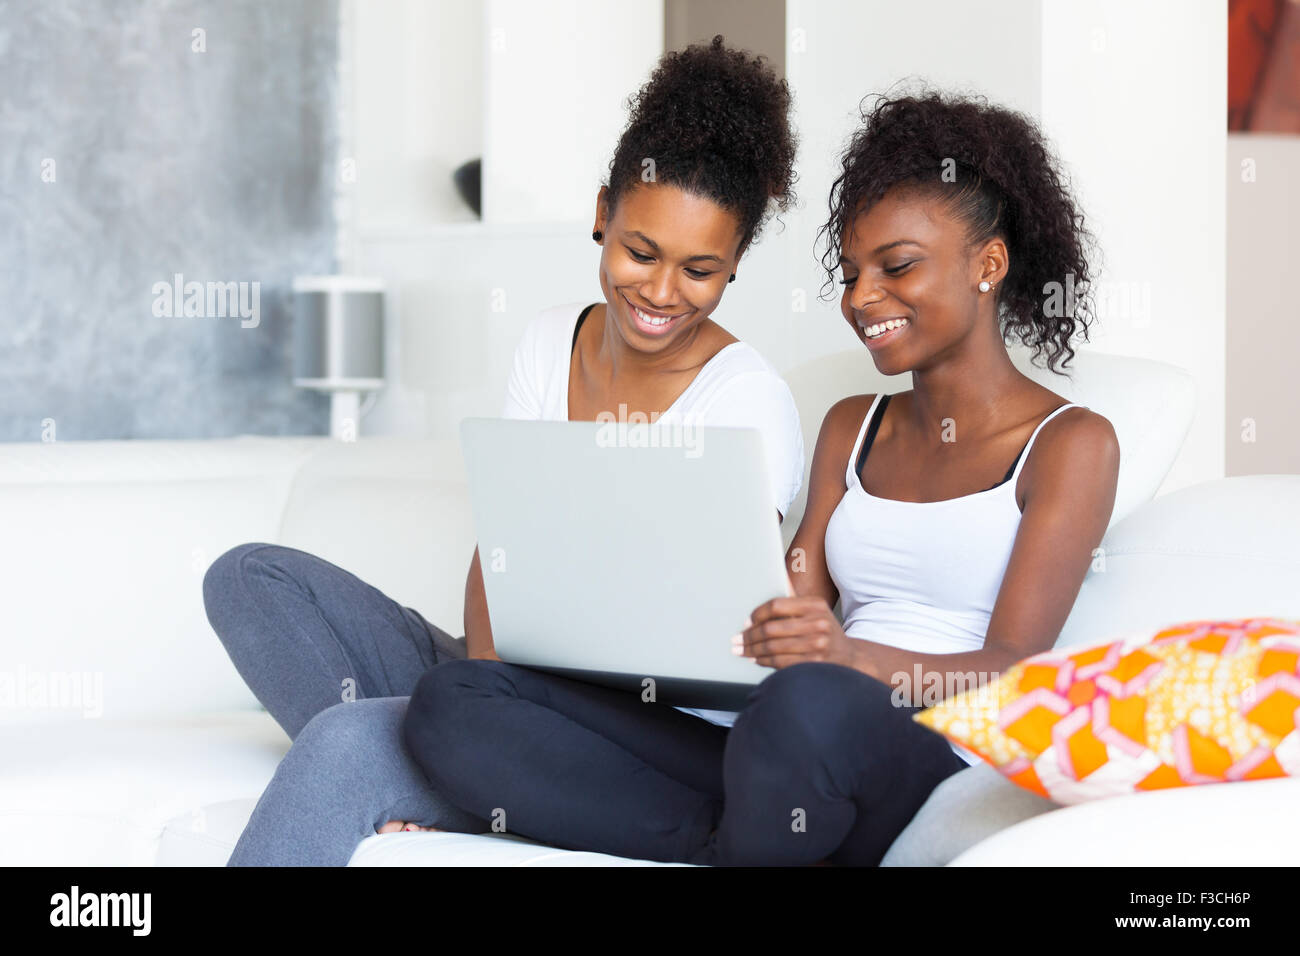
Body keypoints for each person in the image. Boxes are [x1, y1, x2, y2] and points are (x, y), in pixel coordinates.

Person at [400, 89, 1122, 866]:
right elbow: (790, 602)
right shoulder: (852, 425)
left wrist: (850, 661)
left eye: (896, 267)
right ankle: (719, 843)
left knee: (807, 706)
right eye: (850, 274)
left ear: (989, 265)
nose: (862, 299)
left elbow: (1017, 666)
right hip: (787, 735)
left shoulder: (1071, 444)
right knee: (459, 701)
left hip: (930, 751)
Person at [202, 35, 803, 866]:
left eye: (700, 270)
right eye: (640, 251)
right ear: (602, 214)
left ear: (734, 266)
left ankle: (432, 771)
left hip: (648, 735)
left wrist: (496, 713)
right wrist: (488, 703)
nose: (663, 293)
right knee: (248, 579)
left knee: (345, 744)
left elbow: (709, 641)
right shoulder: (549, 342)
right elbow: (503, 552)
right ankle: (468, 778)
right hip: (503, 689)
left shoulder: (748, 401)